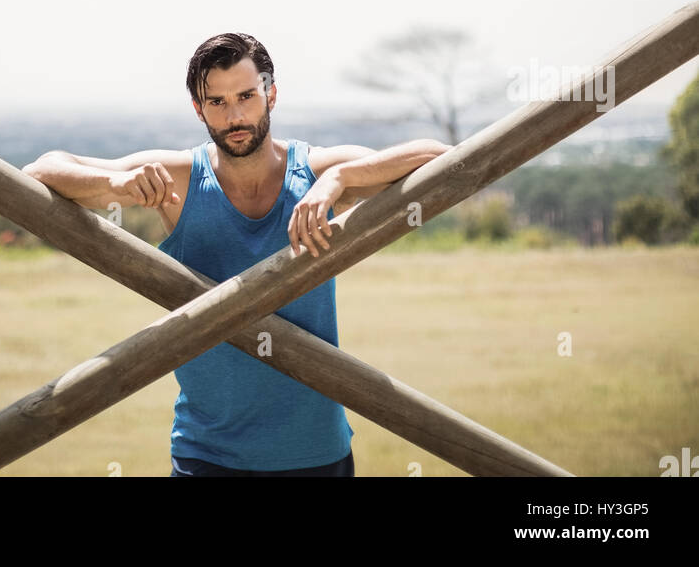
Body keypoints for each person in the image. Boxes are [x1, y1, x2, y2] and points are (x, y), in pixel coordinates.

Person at [23, 31, 451, 477]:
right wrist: (113, 186)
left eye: (246, 95)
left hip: (316, 453)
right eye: (218, 102)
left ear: (271, 93)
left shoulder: (314, 171)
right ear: (198, 108)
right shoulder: (183, 179)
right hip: (207, 457)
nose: (235, 115)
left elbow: (440, 156)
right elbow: (42, 169)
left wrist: (339, 178)